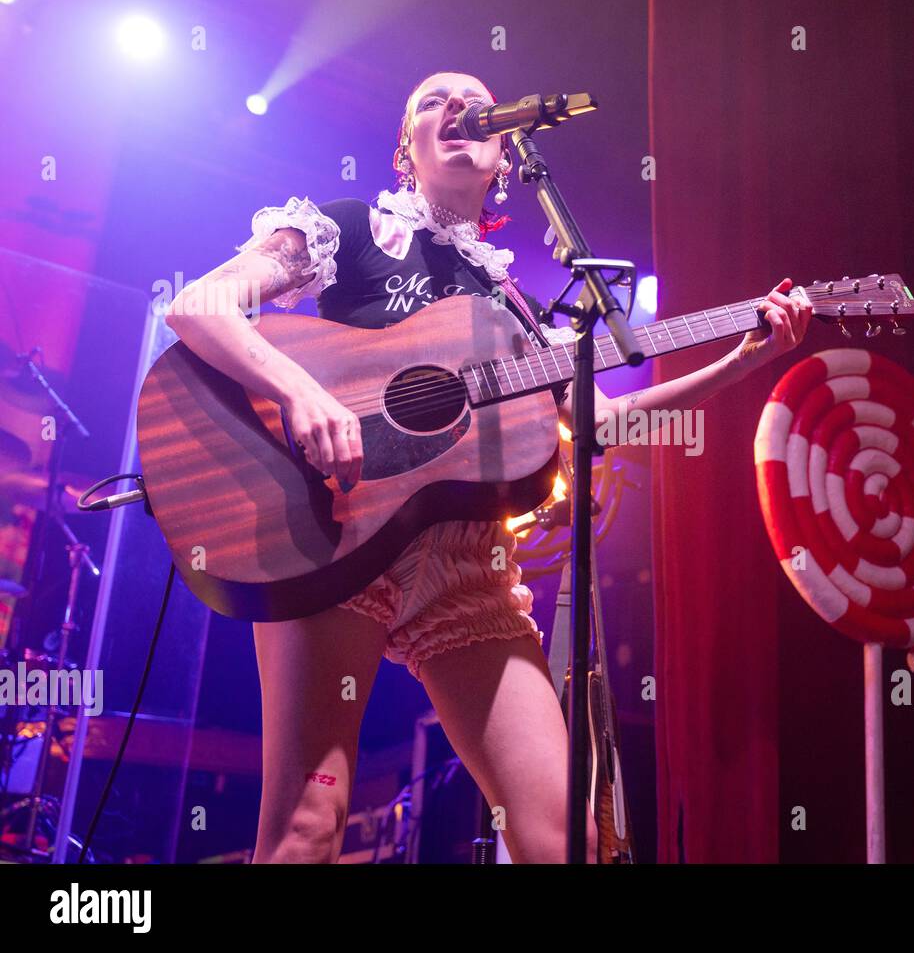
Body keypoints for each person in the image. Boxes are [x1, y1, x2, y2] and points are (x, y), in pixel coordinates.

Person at [164, 70, 812, 863]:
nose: (455, 109)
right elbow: (198, 308)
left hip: (466, 570)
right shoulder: (348, 229)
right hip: (333, 532)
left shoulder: (508, 304)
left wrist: (742, 361)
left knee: (562, 840)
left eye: (473, 102)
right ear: (407, 147)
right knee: (306, 832)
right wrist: (304, 395)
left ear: (506, 154)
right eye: (432, 101)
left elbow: (597, 420)